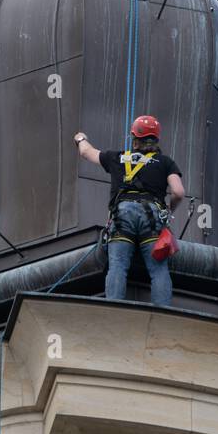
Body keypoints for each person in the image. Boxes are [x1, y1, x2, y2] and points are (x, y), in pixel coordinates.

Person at [73, 115, 185, 307]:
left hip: (121, 216)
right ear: (156, 139)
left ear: (134, 138)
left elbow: (86, 152)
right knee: (158, 270)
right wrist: (169, 210)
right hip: (152, 217)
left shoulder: (116, 157)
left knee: (117, 266)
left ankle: (115, 310)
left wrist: (80, 138)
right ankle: (163, 314)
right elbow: (178, 192)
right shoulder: (166, 162)